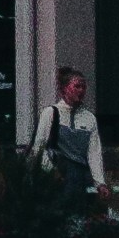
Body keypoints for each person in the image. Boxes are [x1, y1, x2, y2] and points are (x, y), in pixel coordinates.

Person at [29, 64, 106, 201]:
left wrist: (100, 183)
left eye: (83, 87)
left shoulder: (89, 118)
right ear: (65, 89)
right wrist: (53, 172)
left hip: (80, 176)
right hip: (58, 174)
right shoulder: (51, 113)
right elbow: (39, 147)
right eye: (76, 86)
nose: (81, 90)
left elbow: (94, 151)